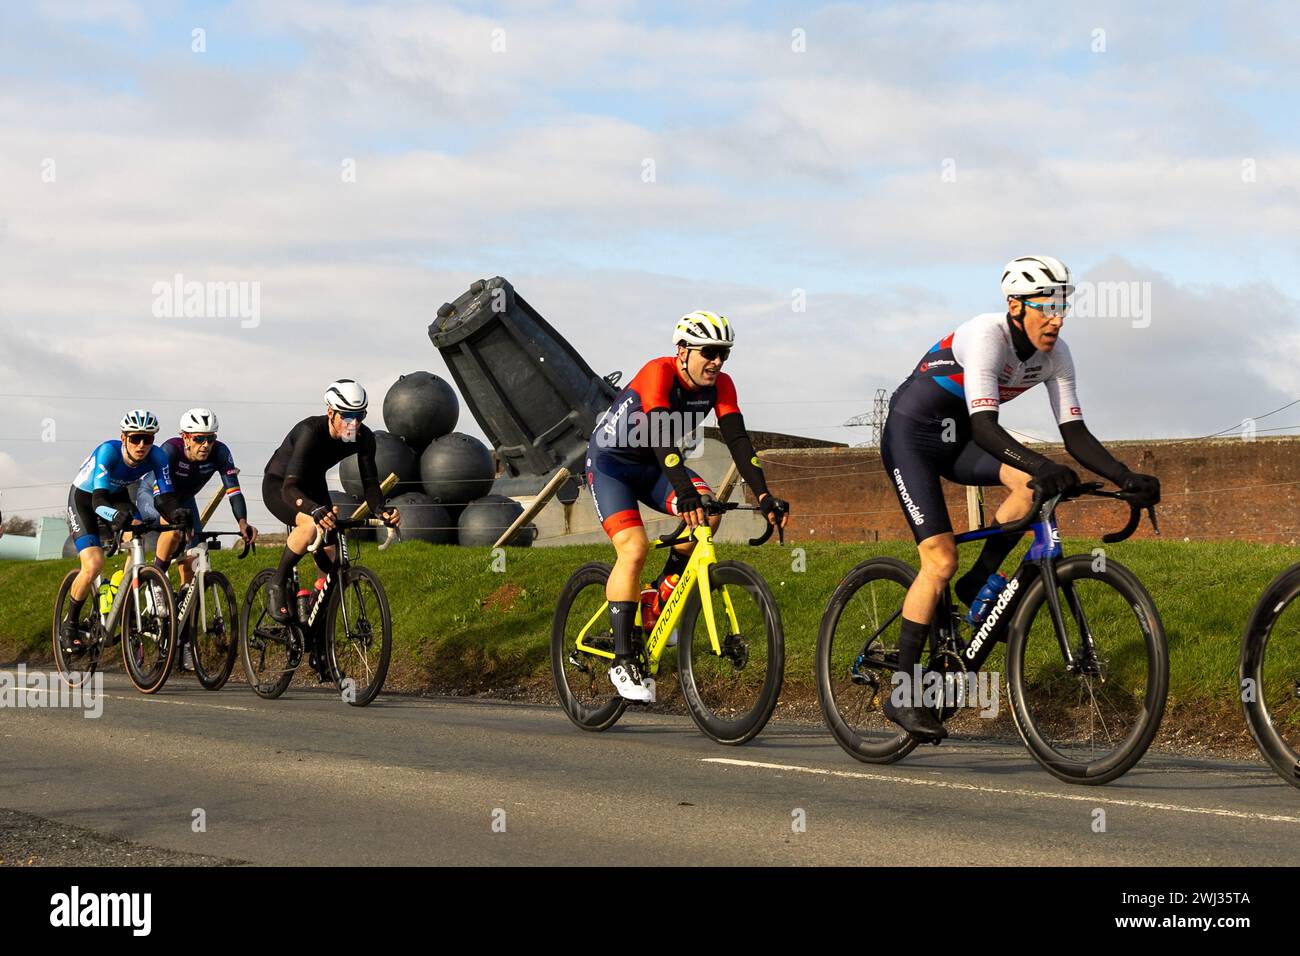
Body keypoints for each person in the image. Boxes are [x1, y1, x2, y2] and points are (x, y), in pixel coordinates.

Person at [880, 255, 1161, 740]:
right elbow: (988, 428)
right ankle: (902, 694)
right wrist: (1042, 464)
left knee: (1029, 489)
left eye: (1064, 305)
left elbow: (1074, 433)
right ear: (1015, 306)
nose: (1057, 316)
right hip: (913, 437)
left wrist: (1125, 475)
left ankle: (979, 583)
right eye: (1046, 305)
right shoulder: (988, 336)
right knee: (939, 559)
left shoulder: (1057, 354)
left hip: (962, 439)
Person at [586, 311, 789, 702]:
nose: (717, 362)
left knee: (709, 512)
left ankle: (663, 593)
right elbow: (662, 438)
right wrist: (685, 491)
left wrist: (764, 495)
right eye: (709, 352)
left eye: (723, 354)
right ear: (682, 351)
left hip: (654, 467)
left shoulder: (721, 385)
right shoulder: (657, 372)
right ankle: (622, 659)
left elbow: (739, 442)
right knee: (634, 548)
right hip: (613, 467)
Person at [262, 380, 399, 624]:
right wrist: (313, 509)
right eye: (347, 417)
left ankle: (317, 618)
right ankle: (277, 583)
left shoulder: (364, 437)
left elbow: (370, 485)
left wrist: (382, 510)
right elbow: (290, 487)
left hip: (314, 486)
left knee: (330, 552)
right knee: (310, 527)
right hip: (281, 486)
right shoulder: (310, 431)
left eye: (360, 416)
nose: (354, 424)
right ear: (330, 412)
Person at [132, 408, 258, 670]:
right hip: (154, 495)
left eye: (210, 439)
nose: (206, 445)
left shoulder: (221, 453)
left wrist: (243, 522)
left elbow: (233, 491)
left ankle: (185, 640)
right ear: (186, 437)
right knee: (175, 527)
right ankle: (156, 577)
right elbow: (161, 496)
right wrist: (176, 517)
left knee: (193, 563)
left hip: (184, 500)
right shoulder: (170, 450)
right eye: (199, 439)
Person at [60, 410, 191, 651]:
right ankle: (70, 625)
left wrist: (176, 514)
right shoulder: (108, 452)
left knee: (138, 535)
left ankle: (120, 597)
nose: (142, 445)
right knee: (93, 564)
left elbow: (165, 498)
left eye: (148, 439)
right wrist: (114, 516)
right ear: (123, 438)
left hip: (117, 494)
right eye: (135, 438)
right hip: (86, 498)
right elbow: (99, 502)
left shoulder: (158, 456)